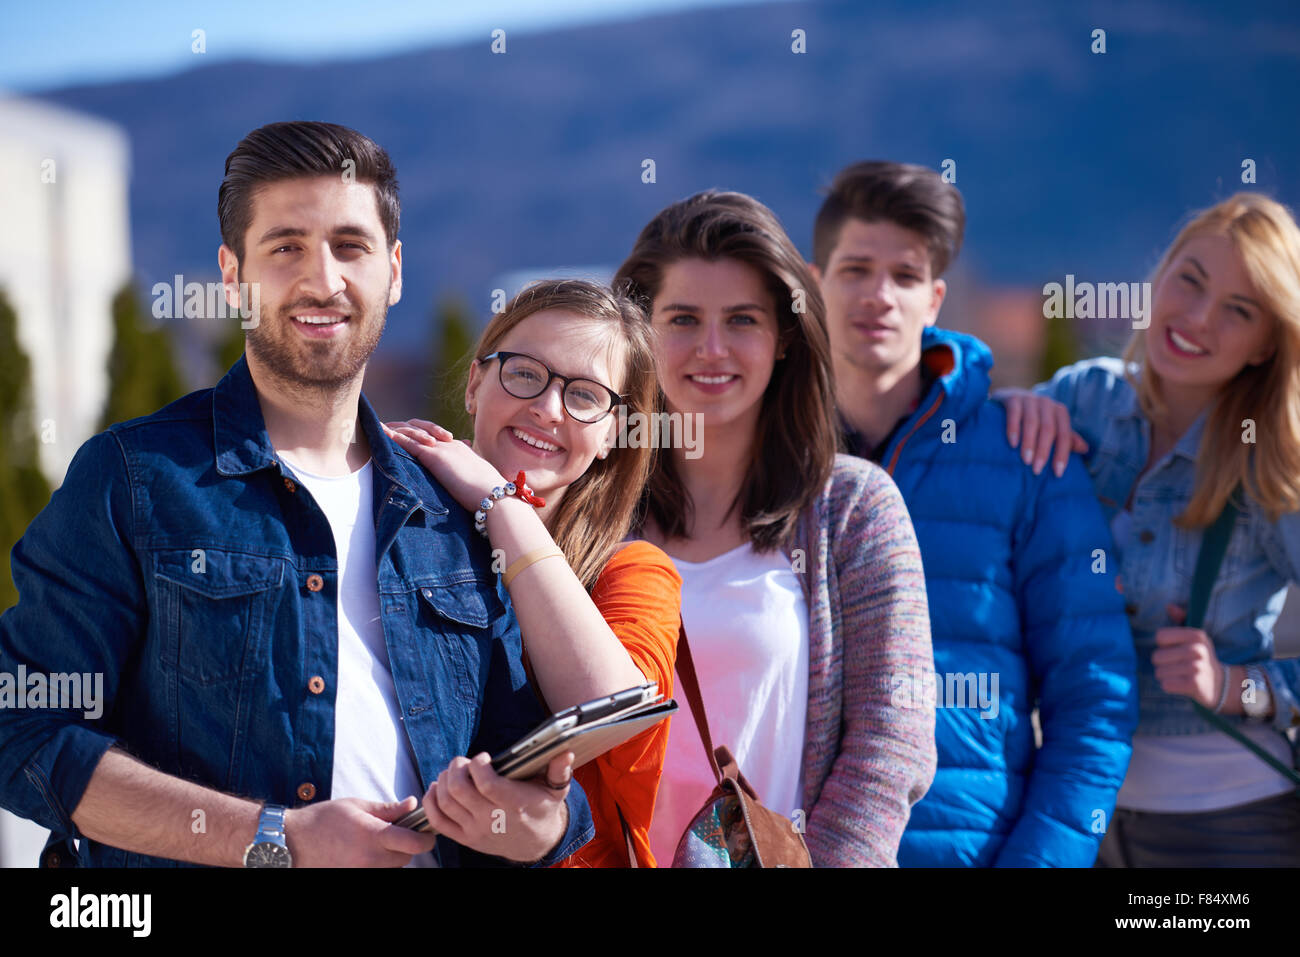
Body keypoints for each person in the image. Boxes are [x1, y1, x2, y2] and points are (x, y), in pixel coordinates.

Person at [0, 121, 592, 868]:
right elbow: (24, 728)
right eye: (285, 247)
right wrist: (274, 838)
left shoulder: (449, 514)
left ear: (395, 269)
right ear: (230, 273)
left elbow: (547, 787)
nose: (323, 280)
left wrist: (538, 823)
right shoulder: (133, 478)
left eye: (350, 245)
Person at [810, 160, 1138, 867]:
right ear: (815, 282)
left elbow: (1094, 697)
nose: (878, 295)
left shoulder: (1026, 456)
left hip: (972, 850)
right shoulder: (768, 459)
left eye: (903, 276)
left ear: (934, 299)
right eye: (856, 269)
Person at [613, 189, 937, 867]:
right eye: (682, 318)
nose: (711, 348)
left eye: (741, 320)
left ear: (785, 336)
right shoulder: (594, 509)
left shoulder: (854, 508)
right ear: (640, 328)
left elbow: (891, 741)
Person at [997, 192, 1300, 866]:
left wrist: (1237, 685)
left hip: (1233, 822)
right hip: (1085, 815)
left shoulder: (1273, 458)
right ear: (1160, 276)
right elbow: (969, 489)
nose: (1196, 317)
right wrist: (1007, 408)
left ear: (1266, 343)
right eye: (1189, 280)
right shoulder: (1083, 398)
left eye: (1238, 310)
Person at [383, 278, 682, 867]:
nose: (548, 409)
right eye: (524, 373)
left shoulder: (635, 574)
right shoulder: (389, 518)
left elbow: (613, 706)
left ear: (611, 436)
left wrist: (499, 502)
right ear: (474, 383)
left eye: (586, 396)